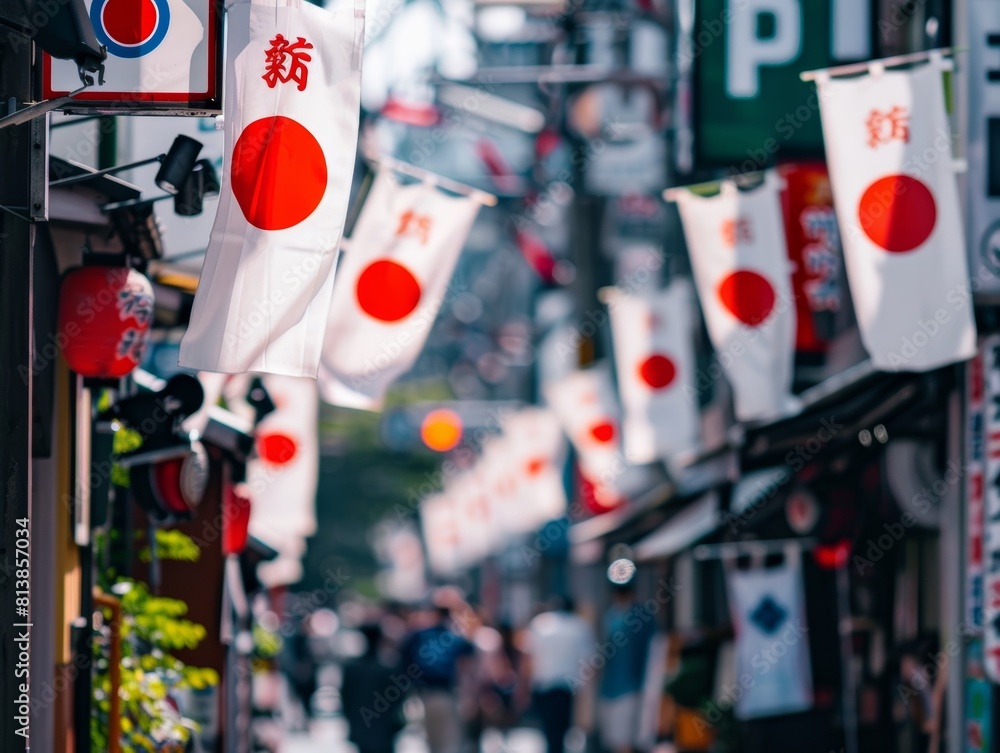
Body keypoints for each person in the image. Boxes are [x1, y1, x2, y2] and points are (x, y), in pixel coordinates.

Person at [399, 602, 475, 753]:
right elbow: (470, 650)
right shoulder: (451, 637)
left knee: (432, 740)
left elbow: (404, 657)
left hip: (423, 694)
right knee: (448, 741)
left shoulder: (419, 635)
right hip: (444, 694)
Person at [523, 596, 595, 753]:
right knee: (562, 728)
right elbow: (589, 660)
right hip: (566, 687)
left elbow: (528, 657)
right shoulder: (580, 626)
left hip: (543, 686)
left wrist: (526, 687)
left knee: (548, 729)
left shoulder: (540, 624)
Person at [597, 582, 654, 753]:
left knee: (624, 741)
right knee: (614, 740)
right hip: (611, 687)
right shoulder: (610, 615)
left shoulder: (640, 616)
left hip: (630, 687)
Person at [341, 622, 407, 753]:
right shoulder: (388, 670)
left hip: (364, 728)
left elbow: (345, 698)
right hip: (384, 729)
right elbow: (398, 699)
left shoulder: (352, 669)